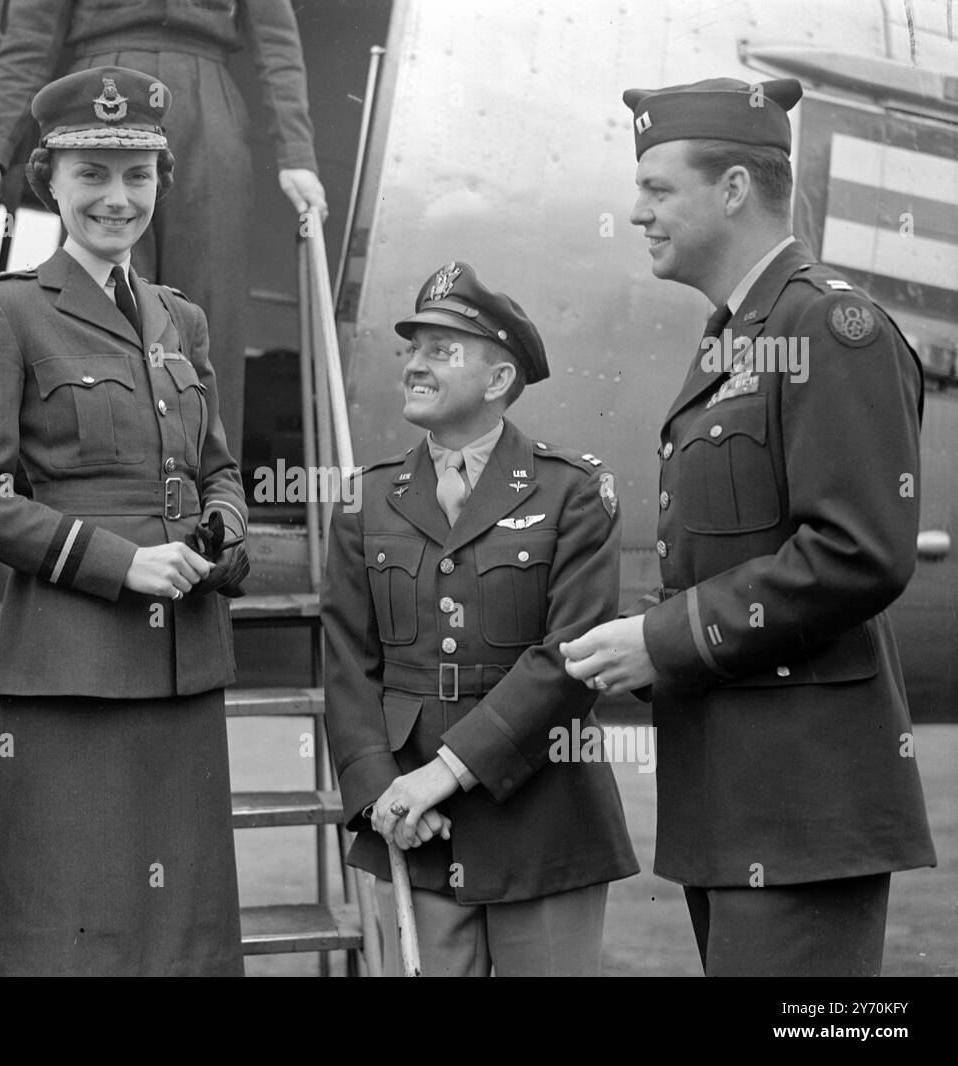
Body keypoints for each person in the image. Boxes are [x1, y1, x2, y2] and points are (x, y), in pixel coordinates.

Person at [560, 78, 937, 976]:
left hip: (804, 808)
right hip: (735, 801)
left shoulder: (829, 325)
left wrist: (665, 638)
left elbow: (858, 552)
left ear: (733, 188)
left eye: (658, 189)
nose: (637, 212)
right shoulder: (740, 336)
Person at [0, 66, 250, 976]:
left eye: (138, 177)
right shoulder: (2, 313)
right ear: (51, 183)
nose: (118, 200)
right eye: (92, 176)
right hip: (73, 666)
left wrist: (221, 537)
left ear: (159, 182)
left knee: (185, 939)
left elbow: (218, 469)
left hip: (186, 665)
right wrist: (126, 564)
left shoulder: (180, 320)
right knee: (66, 931)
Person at [322, 262, 638, 977]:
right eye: (412, 349)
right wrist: (379, 792)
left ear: (498, 381)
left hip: (543, 827)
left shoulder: (574, 492)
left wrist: (443, 774)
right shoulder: (364, 503)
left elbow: (570, 660)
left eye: (441, 350)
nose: (415, 367)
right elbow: (347, 666)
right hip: (416, 830)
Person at [0, 0, 328, 465]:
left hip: (209, 104)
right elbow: (31, 36)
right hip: (100, 98)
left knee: (209, 313)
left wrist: (297, 155)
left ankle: (210, 496)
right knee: (97, 308)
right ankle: (104, 489)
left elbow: (277, 40)